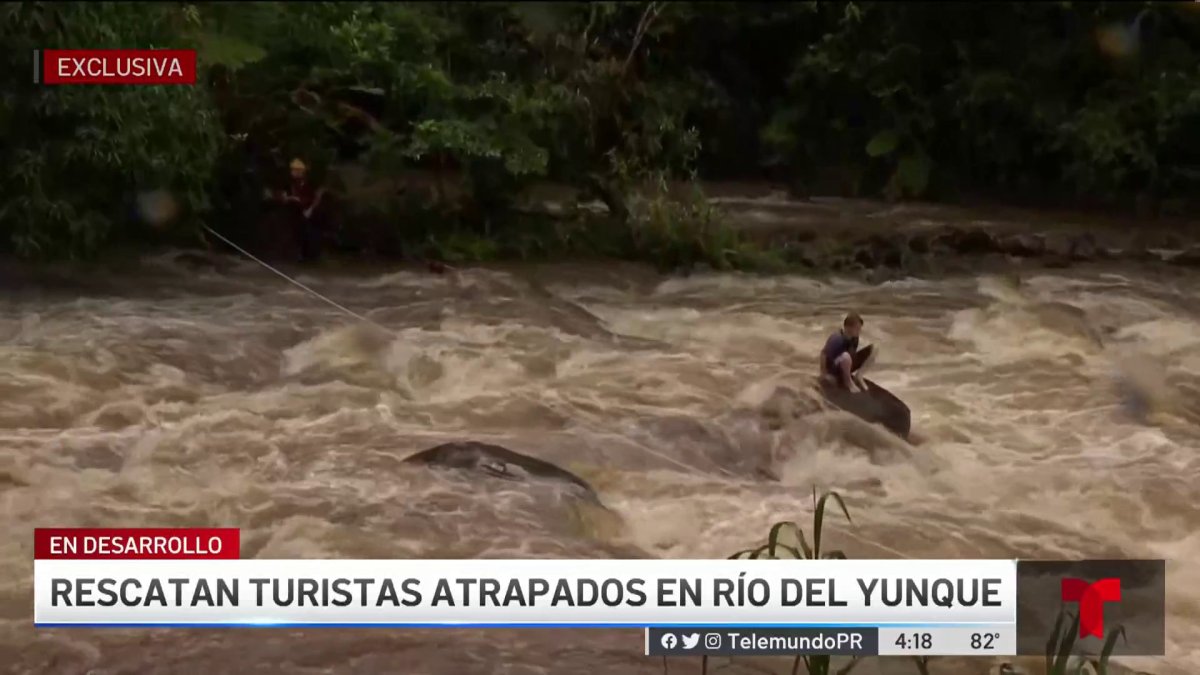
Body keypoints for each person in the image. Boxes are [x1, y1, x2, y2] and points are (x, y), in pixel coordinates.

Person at [266, 158, 326, 262]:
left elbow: (315, 197)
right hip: (293, 211)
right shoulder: (289, 183)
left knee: (308, 230)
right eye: (293, 170)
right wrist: (287, 198)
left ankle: (308, 254)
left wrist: (307, 208)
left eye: (297, 170)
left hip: (307, 212)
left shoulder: (309, 183)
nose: (294, 172)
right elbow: (281, 196)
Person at [820, 312, 865, 391]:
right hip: (834, 369)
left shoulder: (855, 338)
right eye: (857, 328)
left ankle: (859, 375)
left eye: (860, 328)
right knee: (845, 356)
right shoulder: (837, 339)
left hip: (846, 365)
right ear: (848, 327)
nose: (859, 331)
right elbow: (823, 354)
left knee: (874, 349)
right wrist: (824, 374)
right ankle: (848, 383)